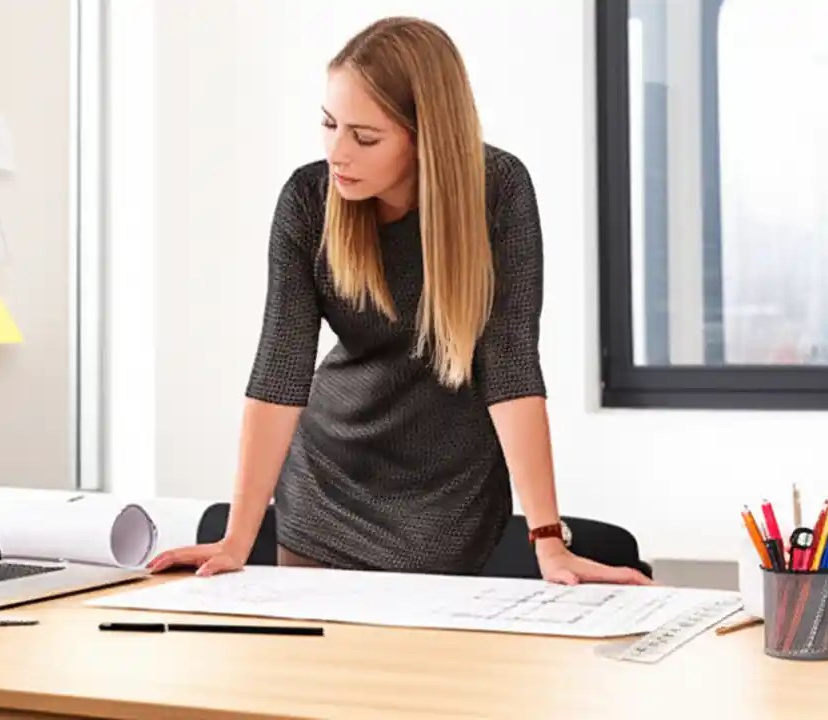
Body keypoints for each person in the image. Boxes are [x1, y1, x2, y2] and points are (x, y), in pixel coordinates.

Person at [149, 17, 650, 586]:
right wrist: (238, 539)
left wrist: (549, 543)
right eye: (329, 124)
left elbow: (510, 369)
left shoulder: (500, 192)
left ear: (426, 135)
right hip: (324, 491)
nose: (337, 152)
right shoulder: (308, 201)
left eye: (364, 137)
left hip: (449, 502)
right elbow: (279, 371)